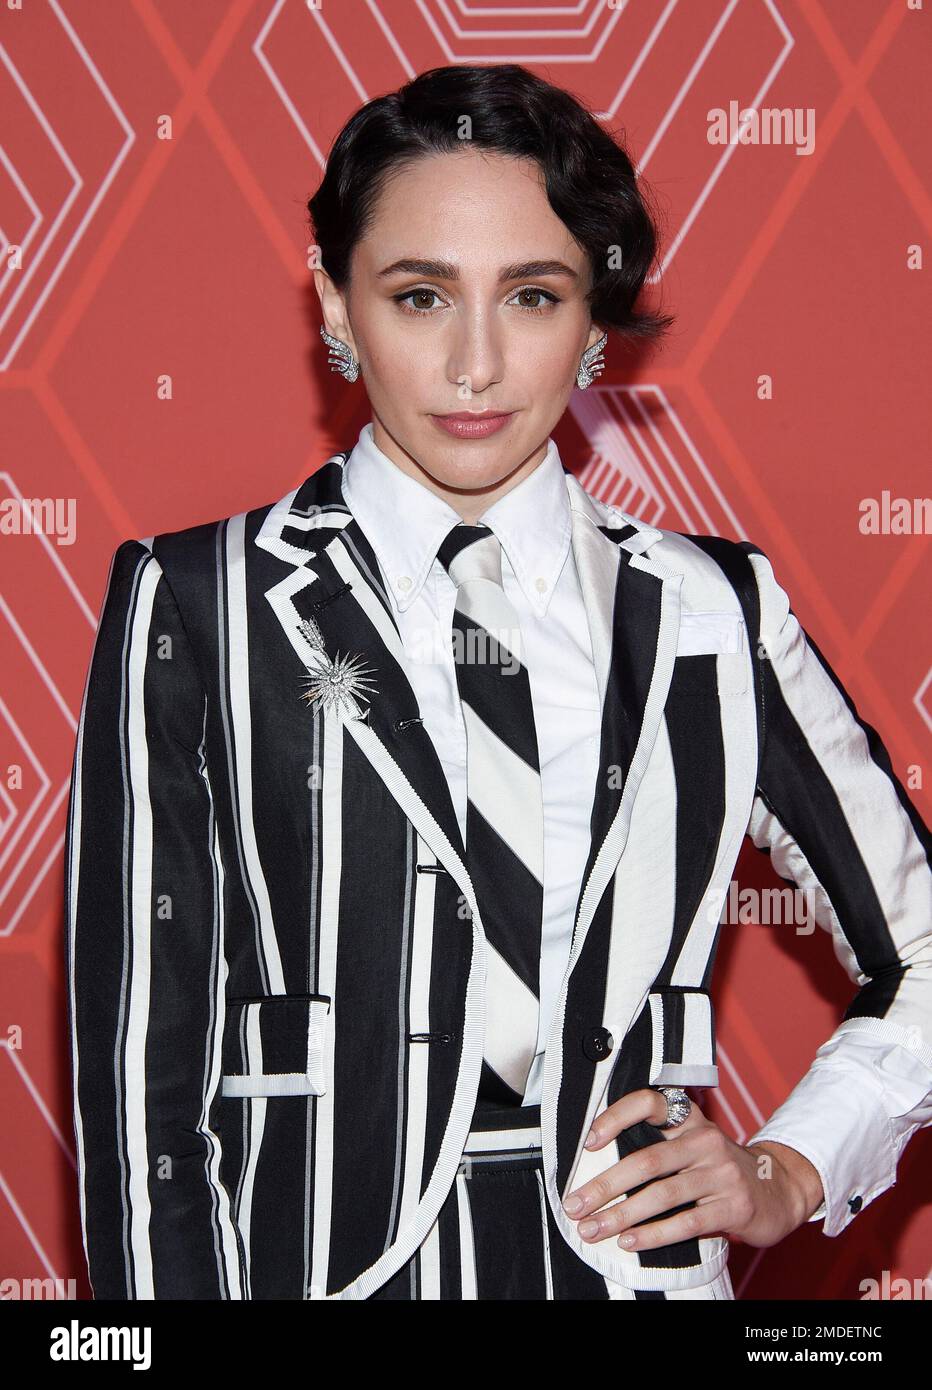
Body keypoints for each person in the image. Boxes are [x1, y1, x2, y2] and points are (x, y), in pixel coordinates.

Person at [65, 63, 932, 1302]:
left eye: (532, 295)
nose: (474, 363)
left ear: (593, 321)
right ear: (333, 303)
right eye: (419, 296)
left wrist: (793, 1166)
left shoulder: (709, 612)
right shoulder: (197, 602)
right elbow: (140, 1063)